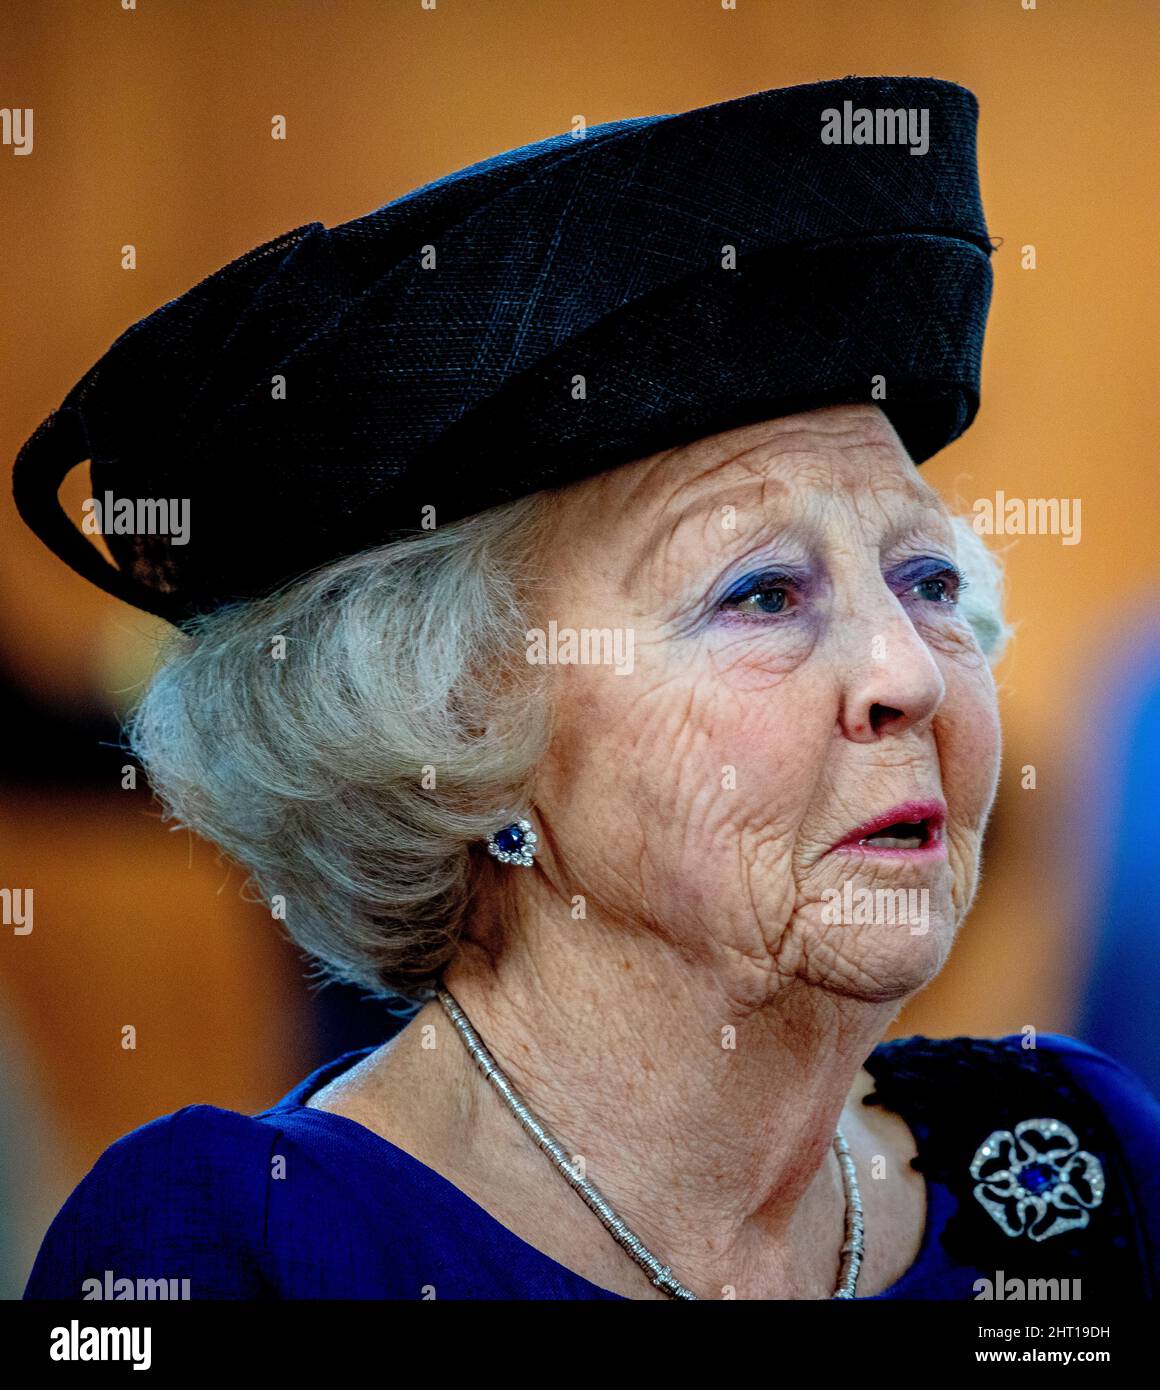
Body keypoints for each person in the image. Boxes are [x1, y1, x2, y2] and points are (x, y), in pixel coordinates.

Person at [15, 76, 1160, 1300]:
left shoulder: (1064, 1173)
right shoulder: (234, 1247)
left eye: (926, 579)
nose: (904, 672)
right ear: (461, 736)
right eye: (762, 594)